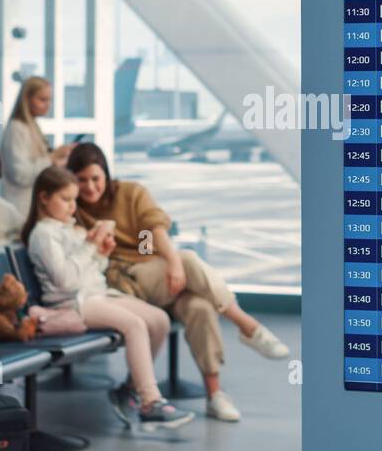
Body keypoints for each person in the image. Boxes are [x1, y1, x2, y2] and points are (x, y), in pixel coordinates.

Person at [66, 142, 289, 423]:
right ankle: (247, 325)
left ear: (106, 175)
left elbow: (152, 228)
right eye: (81, 180)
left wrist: (169, 261)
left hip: (150, 268)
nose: (89, 187)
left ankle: (215, 394)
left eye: (95, 178)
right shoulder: (74, 209)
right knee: (189, 259)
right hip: (121, 283)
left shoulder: (130, 194)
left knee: (199, 306)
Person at [24, 166, 195, 431]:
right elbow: (66, 281)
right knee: (135, 325)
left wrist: (101, 253)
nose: (72, 206)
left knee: (159, 319)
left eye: (74, 200)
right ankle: (150, 402)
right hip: (73, 303)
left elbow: (92, 272)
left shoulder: (70, 228)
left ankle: (129, 389)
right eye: (65, 199)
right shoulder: (44, 234)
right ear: (44, 198)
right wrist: (91, 247)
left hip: (97, 295)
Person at [0, 76, 76, 216]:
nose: (47, 105)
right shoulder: (17, 129)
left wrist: (60, 159)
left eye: (49, 100)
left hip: (30, 208)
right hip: (20, 209)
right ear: (27, 99)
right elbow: (21, 175)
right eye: (42, 99)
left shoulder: (32, 126)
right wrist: (51, 158)